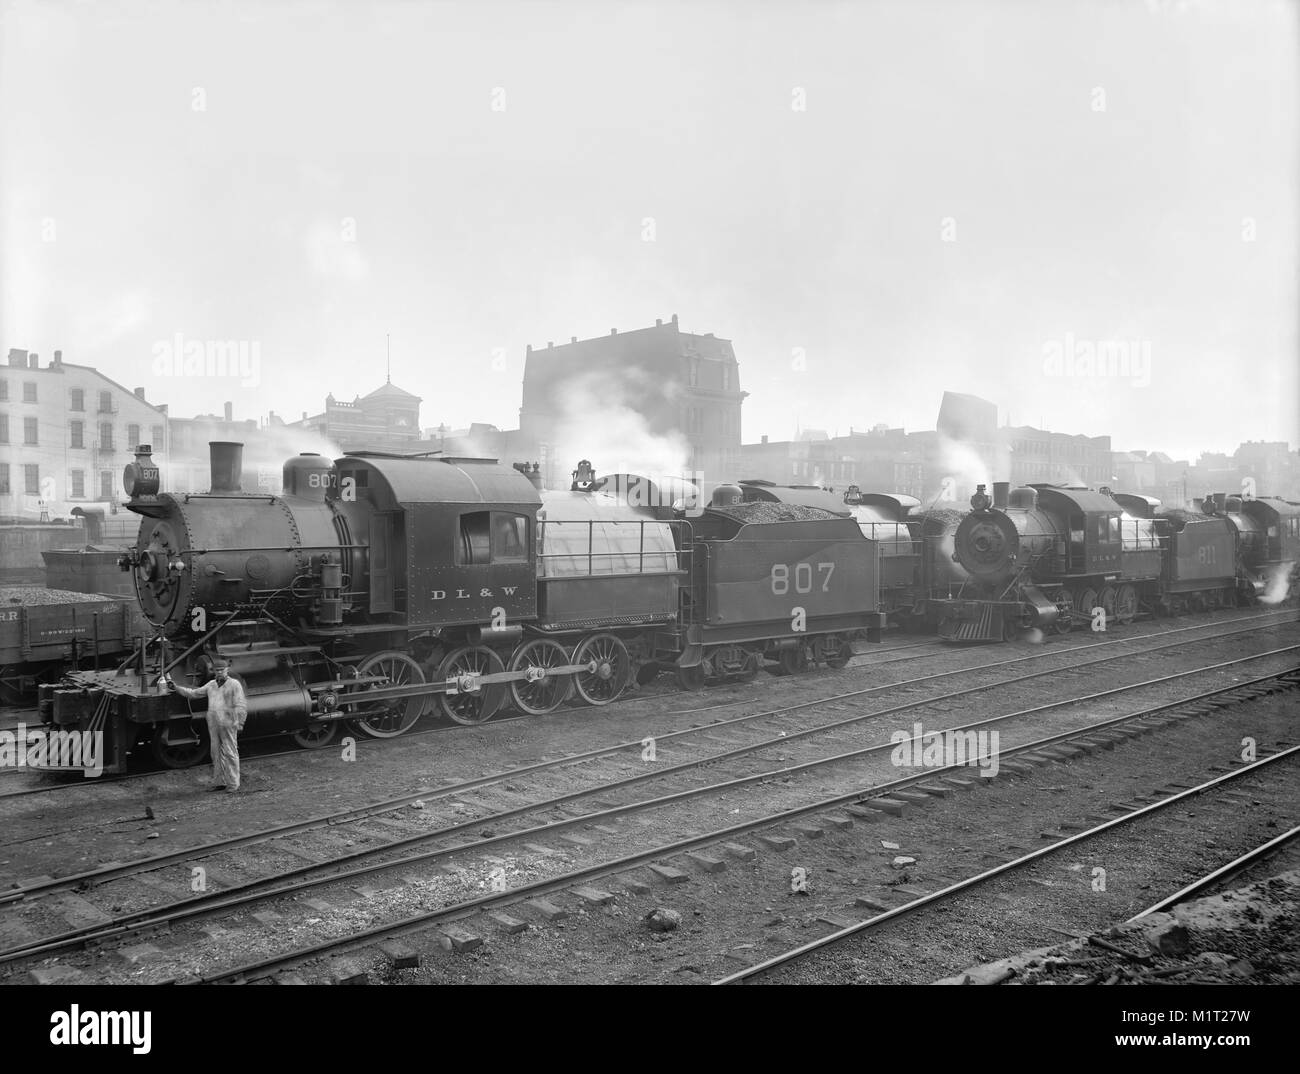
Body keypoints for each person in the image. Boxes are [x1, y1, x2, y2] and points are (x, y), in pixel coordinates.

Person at [170, 659, 248, 792]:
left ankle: (233, 784)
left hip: (228, 722)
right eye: (216, 670)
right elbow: (193, 693)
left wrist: (240, 722)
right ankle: (219, 782)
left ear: (227, 670)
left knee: (230, 752)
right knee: (215, 752)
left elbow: (241, 705)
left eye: (221, 670)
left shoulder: (234, 684)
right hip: (213, 723)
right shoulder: (211, 684)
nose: (219, 672)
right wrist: (176, 688)